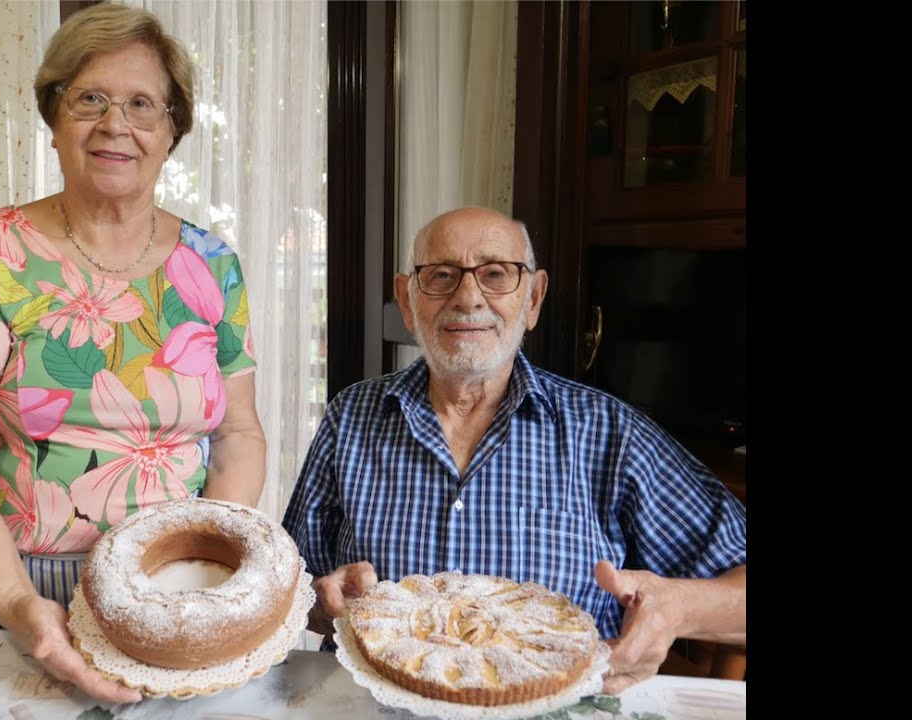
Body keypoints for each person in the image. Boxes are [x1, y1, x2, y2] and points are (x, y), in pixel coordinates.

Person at [0, 4, 266, 705]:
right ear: (53, 118)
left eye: (142, 104)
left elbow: (237, 434)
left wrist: (204, 572)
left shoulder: (213, 264)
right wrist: (20, 606)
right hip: (26, 590)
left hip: (173, 588)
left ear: (172, 131)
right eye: (90, 99)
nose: (116, 124)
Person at [281, 206, 746, 694]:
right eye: (441, 275)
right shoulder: (351, 417)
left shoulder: (610, 433)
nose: (467, 297)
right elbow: (291, 593)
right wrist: (319, 601)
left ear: (533, 298)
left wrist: (674, 608)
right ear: (406, 299)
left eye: (496, 274)